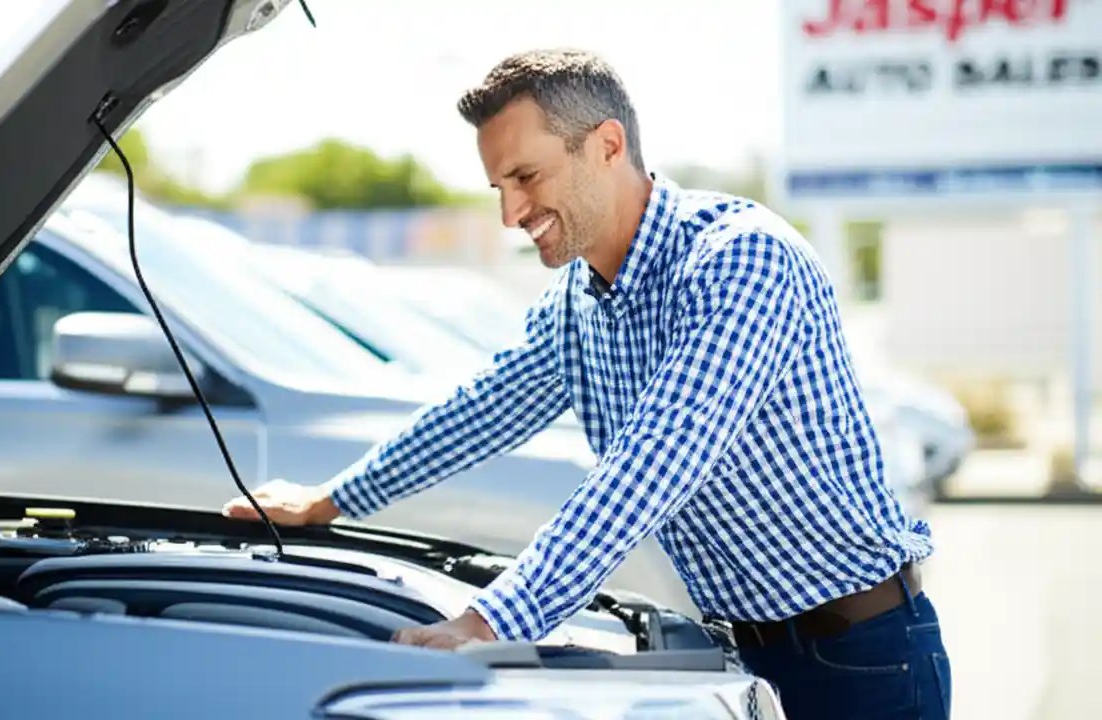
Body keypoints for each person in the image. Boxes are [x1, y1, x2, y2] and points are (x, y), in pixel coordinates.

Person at [224, 49, 952, 720]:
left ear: (607, 145)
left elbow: (656, 461)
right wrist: (333, 498)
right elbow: (479, 411)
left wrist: (491, 623)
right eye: (498, 187)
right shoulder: (580, 298)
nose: (510, 214)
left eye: (527, 177)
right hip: (745, 652)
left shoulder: (741, 261)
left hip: (864, 657)